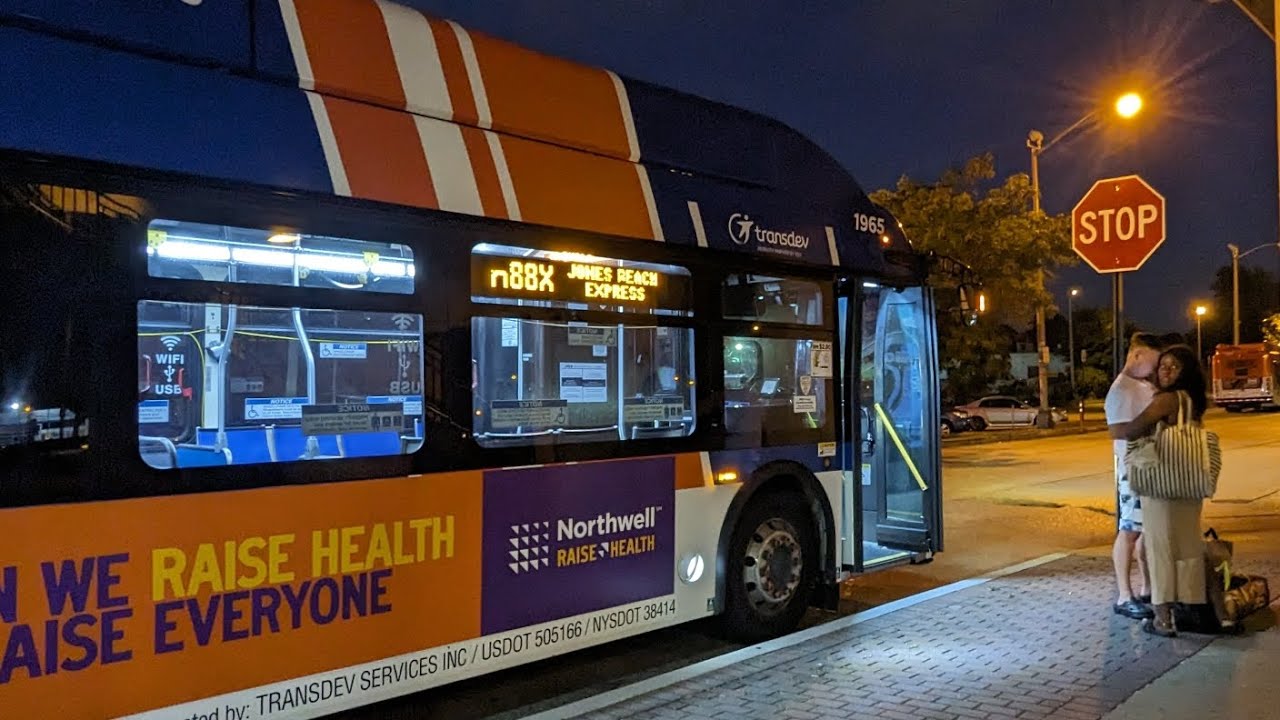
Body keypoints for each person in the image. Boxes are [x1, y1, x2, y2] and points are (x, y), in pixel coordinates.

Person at [1123, 345, 1209, 637]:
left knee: (1159, 549)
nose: (1167, 371)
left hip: (1162, 486)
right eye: (1163, 366)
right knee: (1188, 547)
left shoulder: (1168, 399)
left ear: (1186, 372)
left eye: (1174, 367)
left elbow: (1132, 428)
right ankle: (1190, 608)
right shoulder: (1193, 401)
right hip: (1189, 484)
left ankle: (1163, 618)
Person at [1104, 332, 1163, 619]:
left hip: (1148, 468)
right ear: (1137, 355)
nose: (1153, 370)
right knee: (1129, 529)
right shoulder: (1120, 391)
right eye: (1151, 363)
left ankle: (1146, 588)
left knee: (1144, 530)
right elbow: (1120, 434)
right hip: (1132, 470)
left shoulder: (1141, 387)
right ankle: (1124, 595)